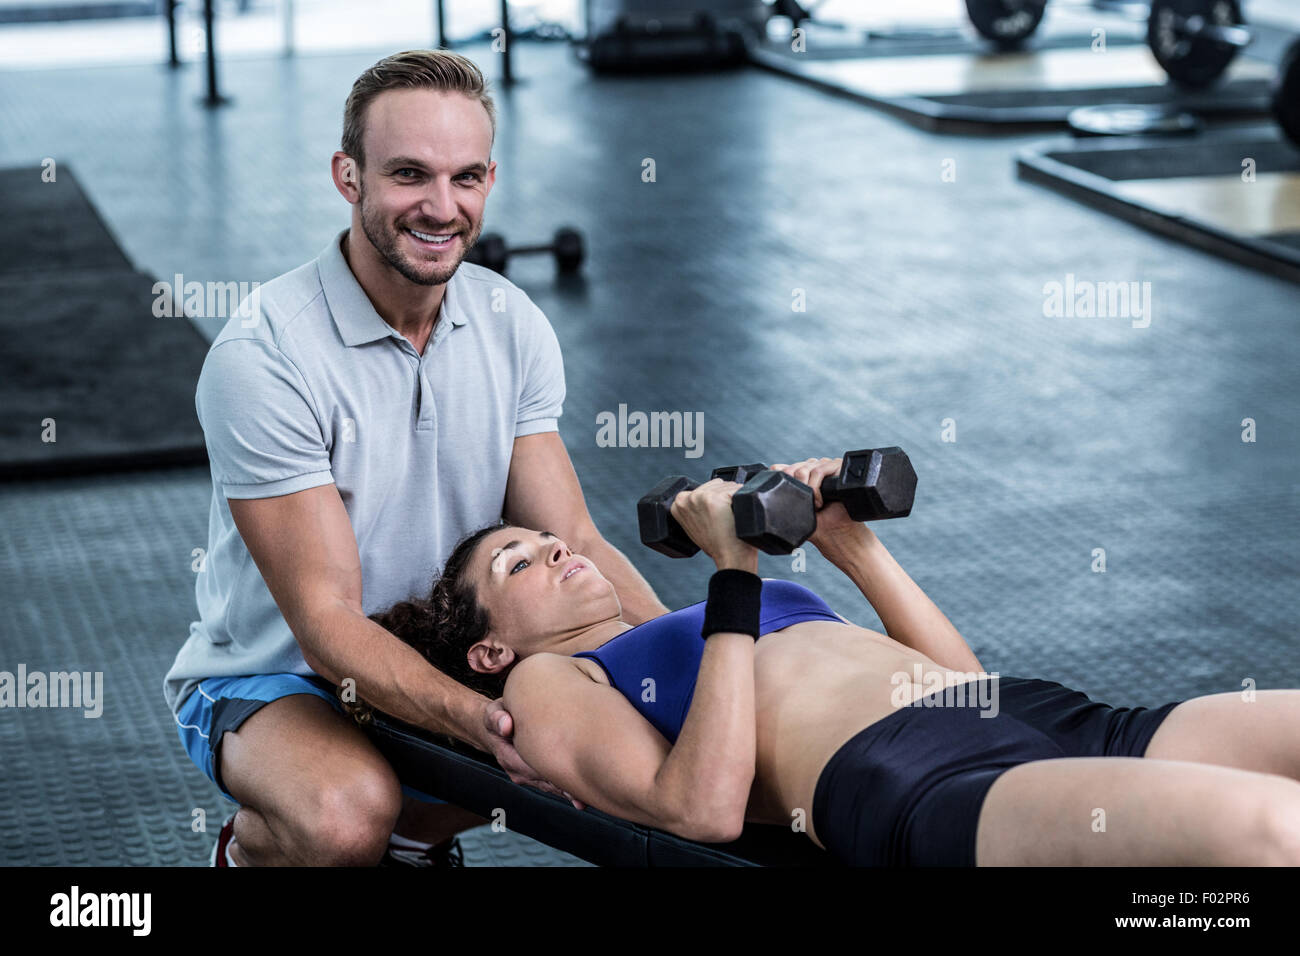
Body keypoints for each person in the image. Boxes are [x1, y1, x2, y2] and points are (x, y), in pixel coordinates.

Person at [163, 49, 667, 868]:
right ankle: (258, 853)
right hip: (277, 677)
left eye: (466, 178)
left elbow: (573, 531)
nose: (442, 207)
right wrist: (485, 727)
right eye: (409, 175)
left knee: (654, 745)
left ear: (490, 181)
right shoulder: (265, 354)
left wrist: (685, 657)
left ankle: (412, 839)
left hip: (446, 647)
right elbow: (326, 628)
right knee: (343, 817)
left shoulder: (512, 322)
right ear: (348, 176)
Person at [367, 456, 1300, 865]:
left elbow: (962, 681)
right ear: (490, 646)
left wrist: (855, 550)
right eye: (517, 561)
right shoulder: (550, 679)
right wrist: (733, 573)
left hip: (1034, 717)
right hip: (919, 782)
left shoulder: (713, 615)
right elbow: (698, 809)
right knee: (1275, 835)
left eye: (549, 537)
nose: (558, 548)